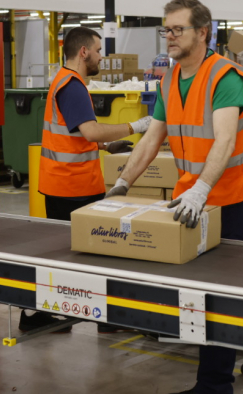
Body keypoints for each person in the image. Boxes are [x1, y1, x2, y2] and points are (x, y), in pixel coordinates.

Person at [106, 0, 243, 394]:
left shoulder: (224, 76)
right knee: (197, 294)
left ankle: (215, 393)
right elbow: (153, 138)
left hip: (226, 198)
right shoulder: (170, 80)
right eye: (166, 30)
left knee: (219, 297)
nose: (169, 37)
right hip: (190, 198)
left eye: (177, 29)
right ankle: (222, 376)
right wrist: (120, 185)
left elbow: (225, 140)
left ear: (202, 32)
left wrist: (201, 189)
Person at [17, 26, 151, 335]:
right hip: (73, 186)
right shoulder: (73, 86)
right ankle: (105, 319)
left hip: (62, 184)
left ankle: (41, 314)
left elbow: (76, 136)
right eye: (99, 50)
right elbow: (90, 130)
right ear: (83, 52)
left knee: (68, 256)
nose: (102, 56)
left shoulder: (64, 81)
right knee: (92, 254)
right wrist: (135, 125)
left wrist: (105, 146)